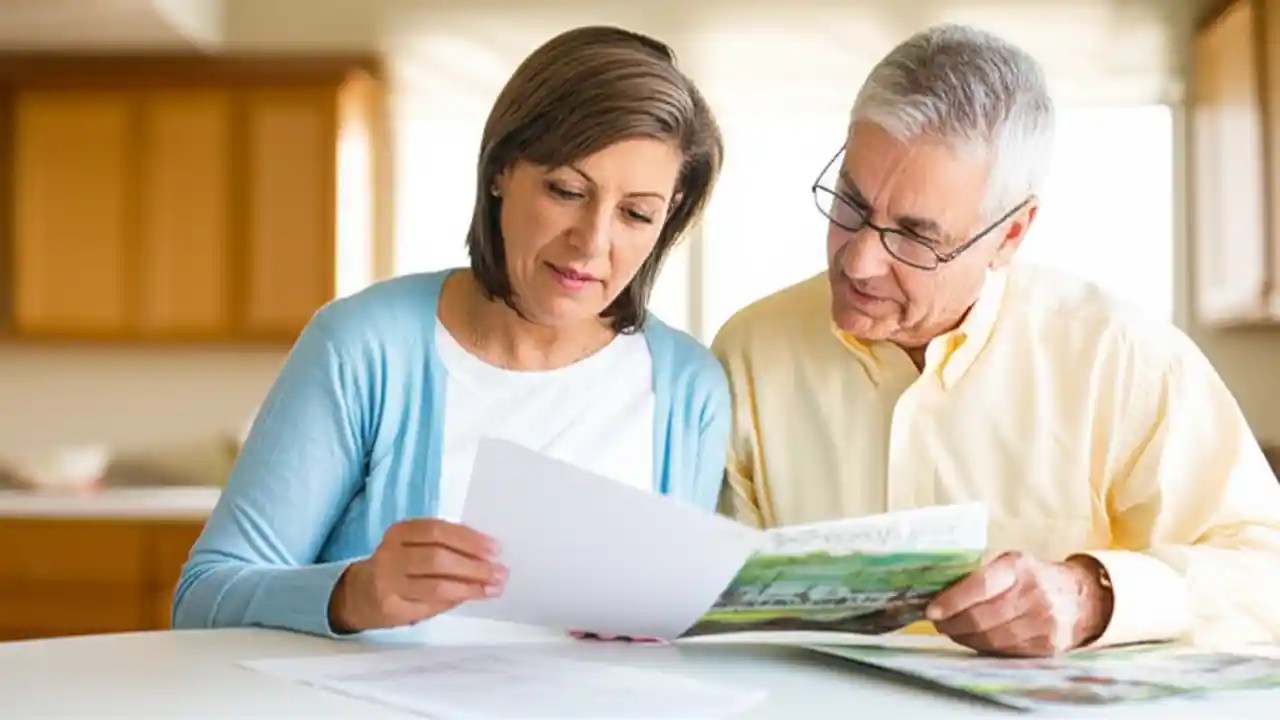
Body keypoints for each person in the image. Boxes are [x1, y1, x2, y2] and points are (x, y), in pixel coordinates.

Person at [711, 24, 1280, 657]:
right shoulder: (748, 352)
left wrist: (1092, 596)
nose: (861, 261)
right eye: (851, 203)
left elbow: (1267, 575)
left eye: (916, 236)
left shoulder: (1121, 359)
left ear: (1011, 236)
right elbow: (712, 606)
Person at [172, 25, 729, 639]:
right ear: (501, 171)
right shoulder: (365, 347)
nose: (593, 242)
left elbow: (678, 627)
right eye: (567, 191)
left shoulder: (688, 388)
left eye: (636, 213)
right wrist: (352, 594)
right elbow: (202, 599)